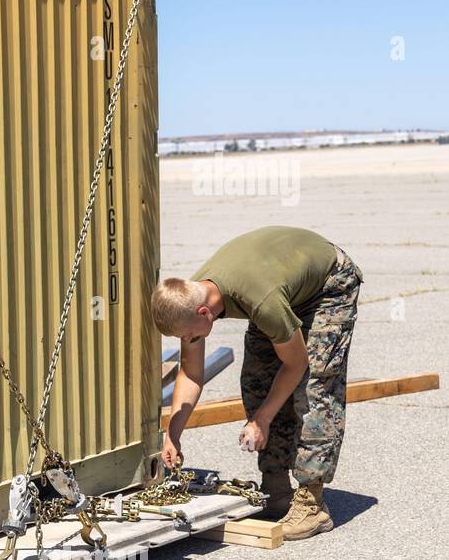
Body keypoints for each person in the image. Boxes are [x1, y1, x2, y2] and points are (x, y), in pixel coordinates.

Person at [150, 226, 362, 541]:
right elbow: (191, 373)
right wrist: (173, 434)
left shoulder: (262, 301)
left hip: (328, 285)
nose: (187, 342)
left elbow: (296, 364)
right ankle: (276, 487)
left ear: (205, 312)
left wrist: (261, 420)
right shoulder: (190, 298)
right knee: (257, 380)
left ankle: (311, 503)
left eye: (189, 336)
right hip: (282, 285)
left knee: (314, 385)